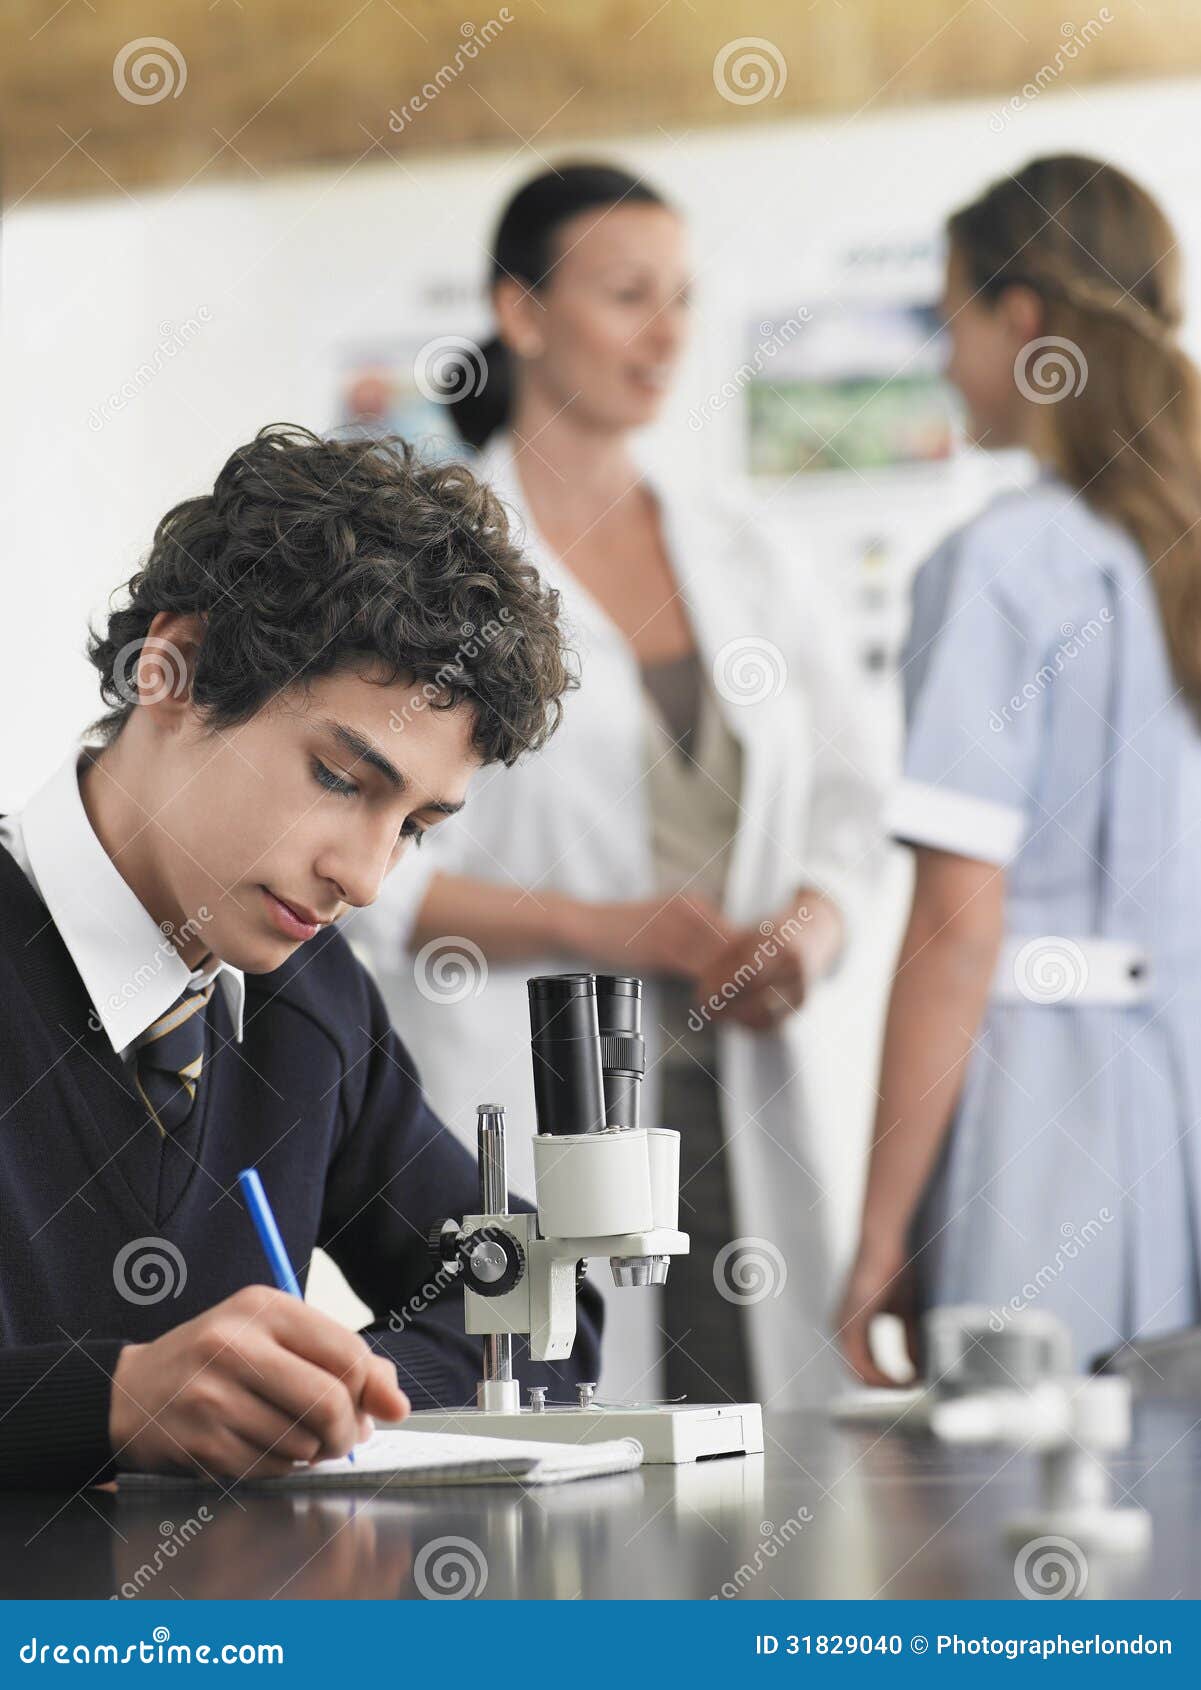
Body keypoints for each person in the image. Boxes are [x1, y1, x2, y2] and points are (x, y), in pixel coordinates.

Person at [360, 164, 886, 1409]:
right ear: (524, 311)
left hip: (726, 1081)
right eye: (628, 295)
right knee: (541, 1432)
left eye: (683, 299)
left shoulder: (743, 552)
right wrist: (607, 930)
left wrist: (810, 928)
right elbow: (372, 872)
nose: (667, 334)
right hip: (510, 1074)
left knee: (753, 1447)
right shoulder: (433, 553)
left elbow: (851, 804)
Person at [0, 424, 601, 1489]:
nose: (367, 878)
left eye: (413, 825)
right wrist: (113, 1401)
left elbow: (538, 1303)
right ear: (171, 670)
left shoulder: (309, 1001)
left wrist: (340, 1388)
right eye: (340, 778)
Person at [838, 154, 1201, 1381]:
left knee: (1021, 1522)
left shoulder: (999, 567)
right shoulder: (1169, 558)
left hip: (1047, 1134)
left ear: (1023, 321)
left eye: (950, 319)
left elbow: (954, 930)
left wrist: (880, 1229)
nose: (944, 359)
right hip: (1180, 1085)